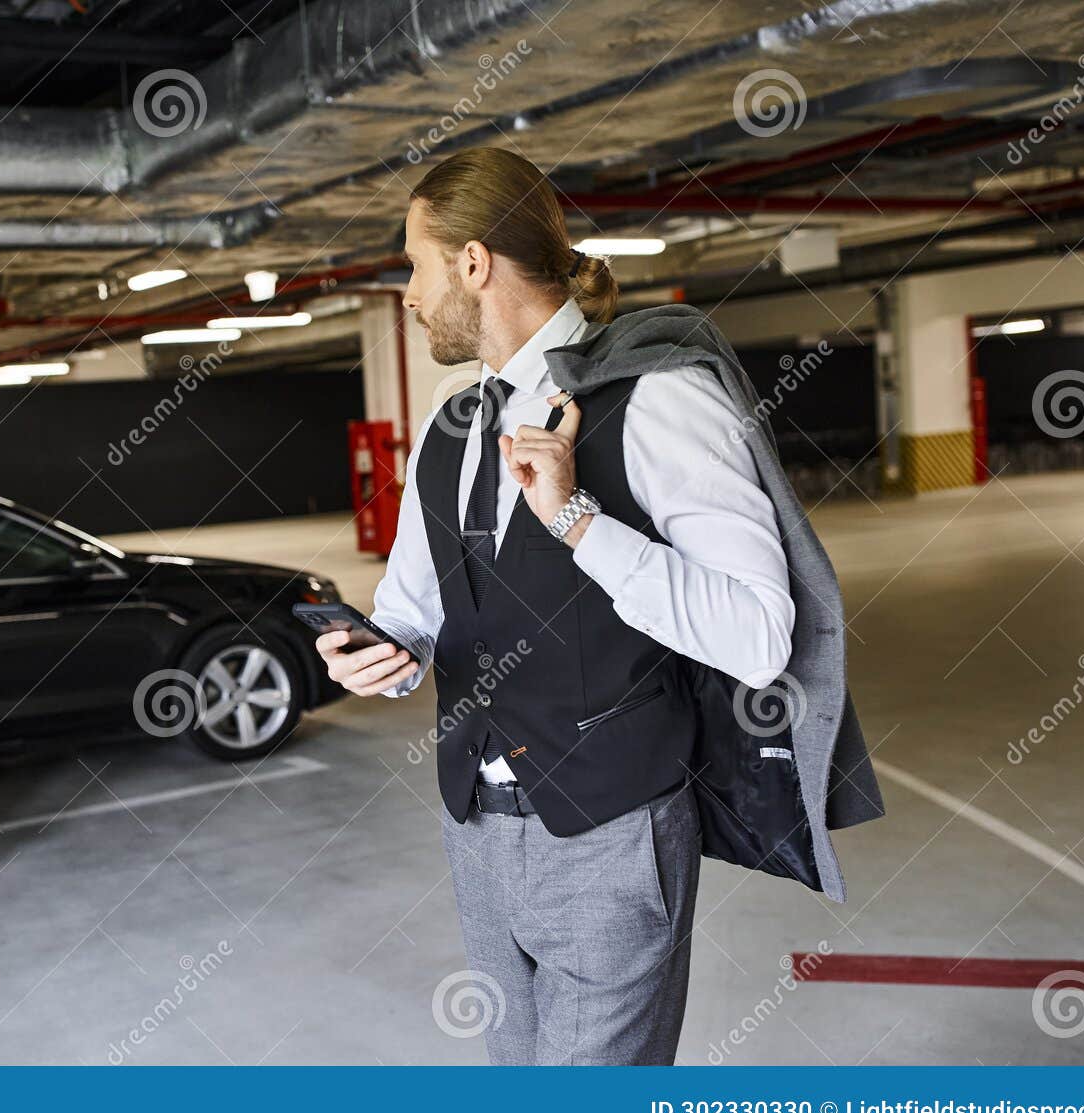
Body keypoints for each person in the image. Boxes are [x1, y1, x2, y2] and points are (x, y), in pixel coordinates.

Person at [313, 146, 879, 1065]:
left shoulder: (658, 398)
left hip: (612, 834)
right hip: (477, 830)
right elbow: (416, 612)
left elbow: (757, 631)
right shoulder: (450, 428)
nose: (409, 296)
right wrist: (381, 653)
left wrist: (579, 519)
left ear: (472, 263)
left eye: (415, 266)